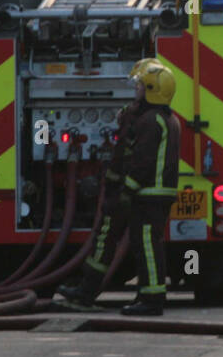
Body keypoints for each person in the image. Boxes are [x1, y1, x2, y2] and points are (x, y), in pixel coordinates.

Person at [57, 60, 180, 316]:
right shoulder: (156, 118)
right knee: (109, 238)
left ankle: (151, 299)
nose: (135, 90)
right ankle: (87, 291)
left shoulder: (152, 121)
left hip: (146, 196)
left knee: (146, 244)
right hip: (143, 194)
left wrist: (125, 191)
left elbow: (141, 163)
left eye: (139, 87)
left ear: (152, 89)